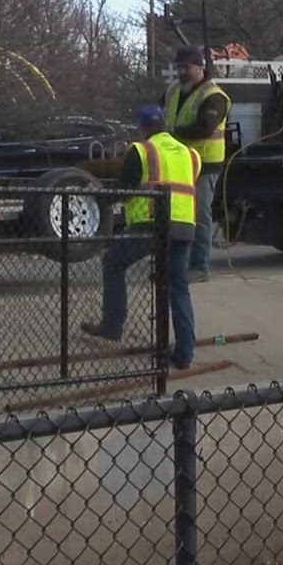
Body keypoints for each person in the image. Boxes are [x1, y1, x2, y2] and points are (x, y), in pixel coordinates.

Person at [79, 104, 198, 369]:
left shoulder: (142, 151)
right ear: (164, 124)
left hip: (151, 224)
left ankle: (112, 325)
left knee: (113, 262)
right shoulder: (190, 154)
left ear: (142, 127)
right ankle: (184, 354)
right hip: (184, 226)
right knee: (179, 288)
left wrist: (96, 196)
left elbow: (124, 189)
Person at [162, 46, 231, 282]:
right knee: (176, 216)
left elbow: (204, 128)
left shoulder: (214, 96)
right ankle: (176, 265)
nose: (182, 72)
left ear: (200, 68)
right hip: (176, 164)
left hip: (204, 165)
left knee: (200, 217)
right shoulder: (172, 91)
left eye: (187, 67)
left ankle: (200, 267)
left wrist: (170, 134)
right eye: (179, 67)